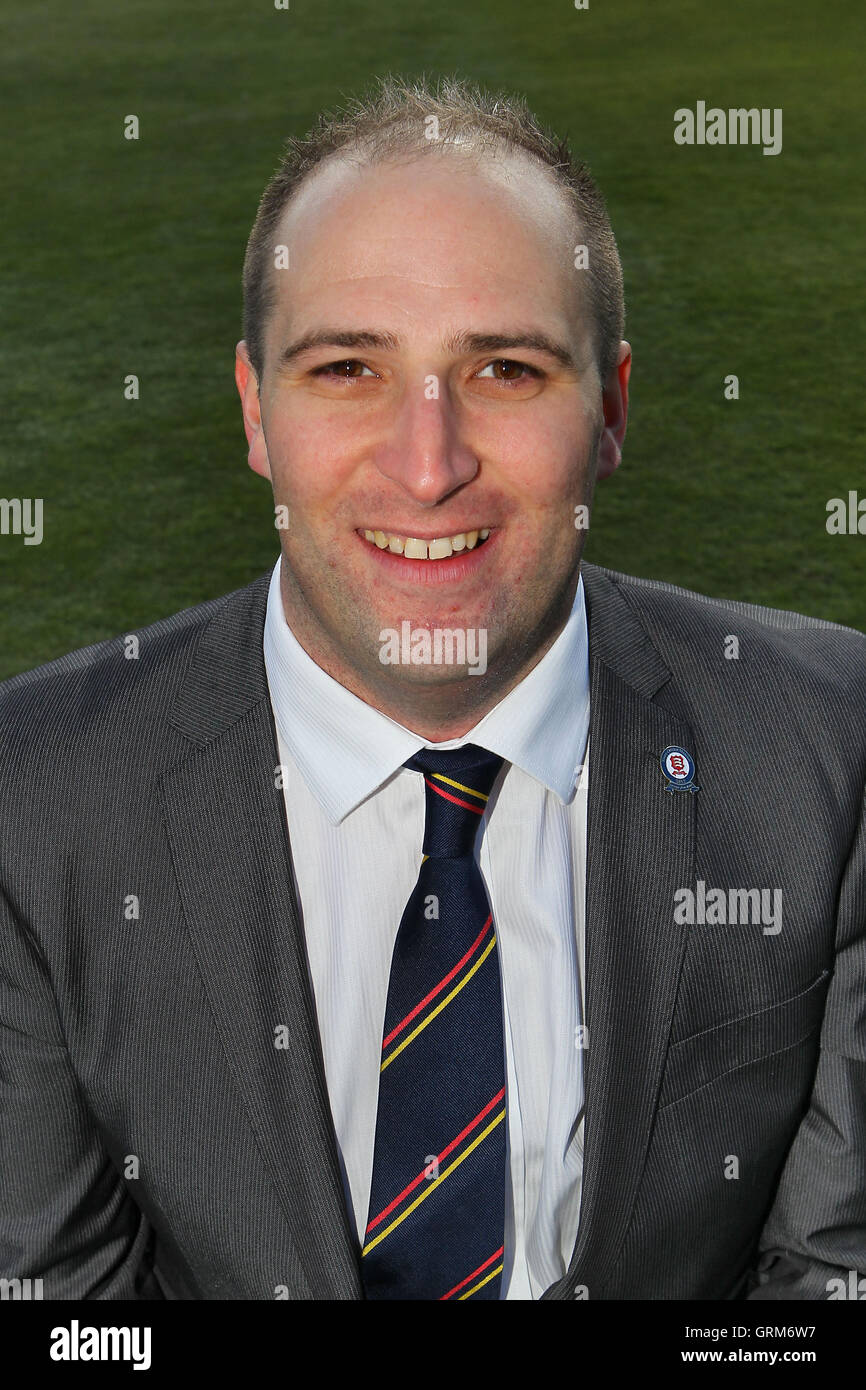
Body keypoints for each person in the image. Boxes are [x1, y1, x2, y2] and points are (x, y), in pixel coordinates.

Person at [1, 75, 864, 1302]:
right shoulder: (30, 801)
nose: (427, 465)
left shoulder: (831, 747)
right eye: (347, 366)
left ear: (609, 407)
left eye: (504, 370)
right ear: (254, 413)